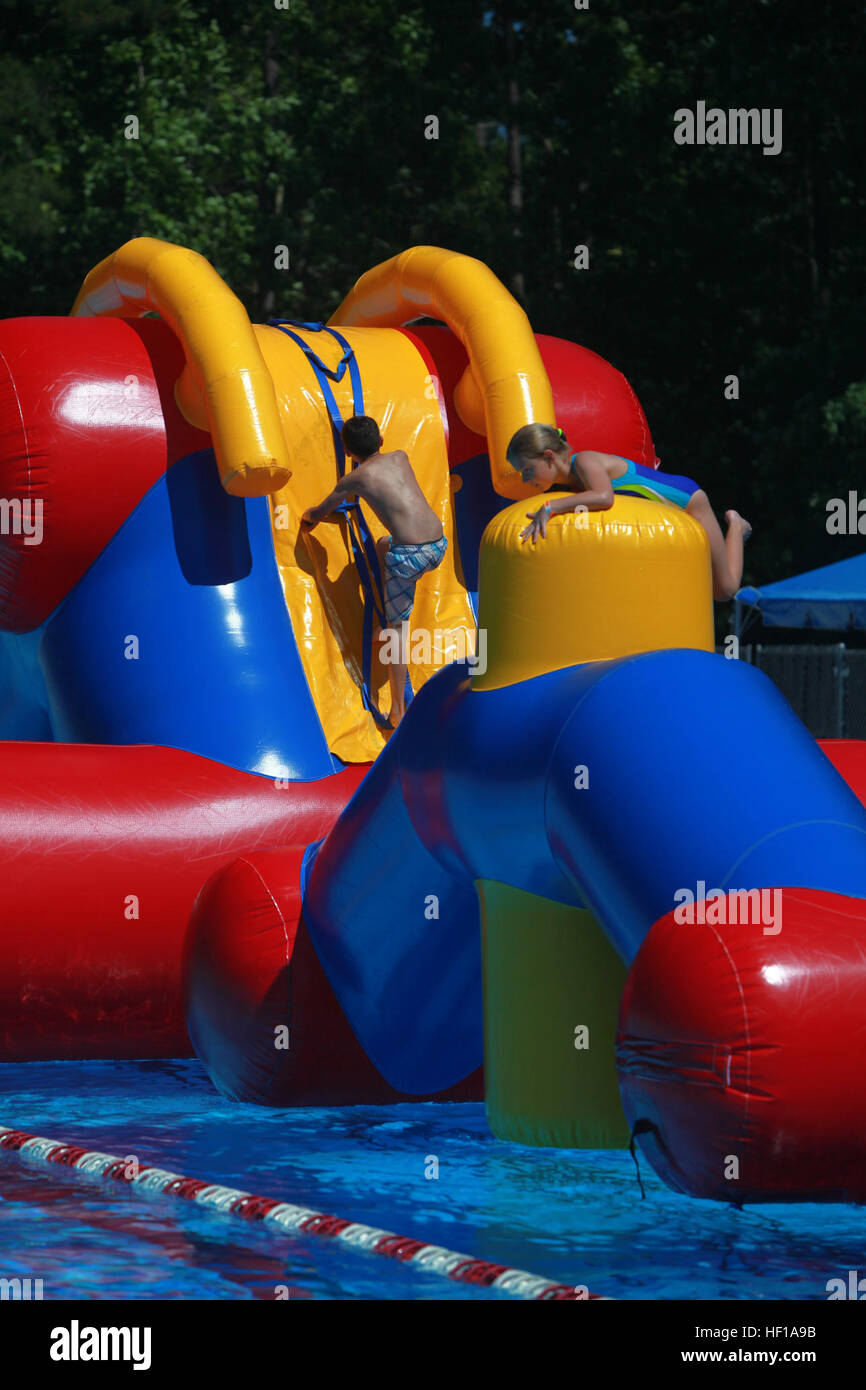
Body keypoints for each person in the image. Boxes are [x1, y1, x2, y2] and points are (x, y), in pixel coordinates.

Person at [302, 415, 447, 726]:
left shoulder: (353, 479)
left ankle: (397, 710)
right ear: (381, 442)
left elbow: (320, 511)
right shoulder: (400, 457)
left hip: (409, 556)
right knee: (382, 544)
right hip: (438, 544)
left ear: (347, 452)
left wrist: (309, 517)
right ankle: (389, 608)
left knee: (398, 632)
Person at [508, 424, 751, 601]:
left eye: (527, 470)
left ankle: (736, 527)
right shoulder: (571, 486)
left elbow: (604, 497)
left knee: (725, 590)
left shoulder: (583, 461)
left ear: (549, 457)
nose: (525, 479)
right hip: (667, 514)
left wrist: (549, 508)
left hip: (687, 499)